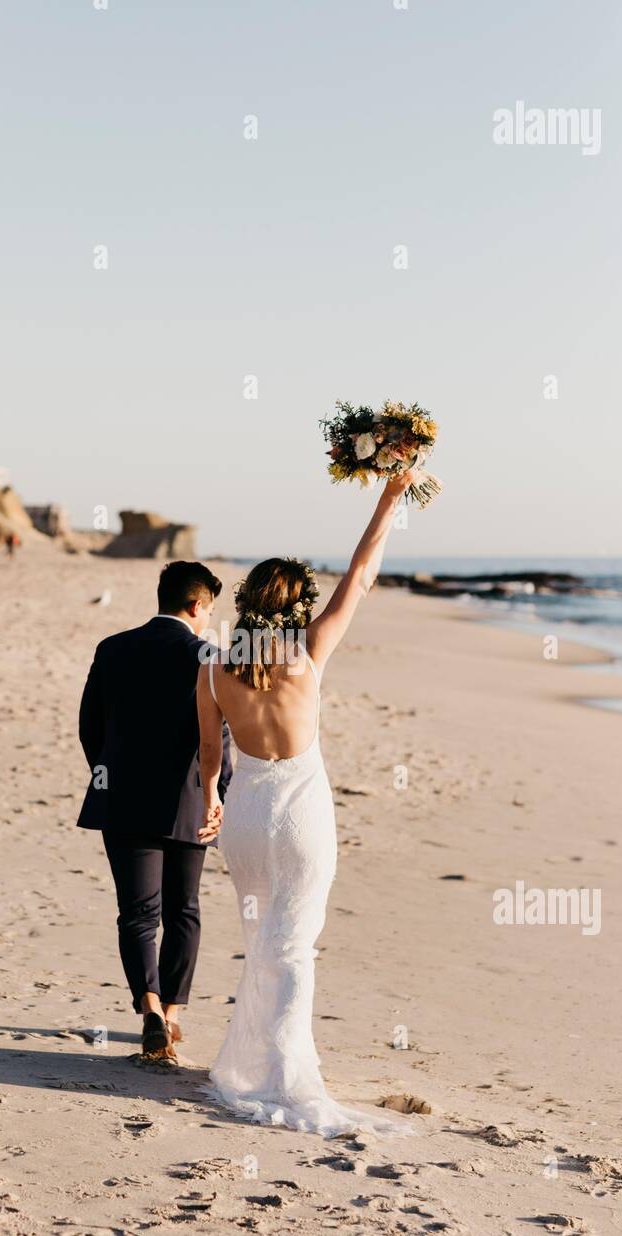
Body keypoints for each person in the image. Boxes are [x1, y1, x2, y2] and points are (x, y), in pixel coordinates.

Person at [195, 474, 417, 1137]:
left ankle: (253, 1066)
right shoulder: (308, 652)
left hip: (242, 821)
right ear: (297, 604)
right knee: (293, 949)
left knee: (260, 943)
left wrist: (210, 798)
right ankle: (288, 1078)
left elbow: (210, 751)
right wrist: (391, 497)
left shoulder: (211, 668)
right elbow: (363, 574)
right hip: (299, 817)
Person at [77, 561, 232, 1059]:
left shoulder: (112, 647)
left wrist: (108, 775)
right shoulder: (209, 655)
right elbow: (219, 739)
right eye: (210, 608)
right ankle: (172, 1013)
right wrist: (220, 792)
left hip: (121, 798)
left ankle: (146, 1006)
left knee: (138, 913)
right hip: (189, 801)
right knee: (184, 909)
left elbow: (90, 726)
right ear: (196, 605)